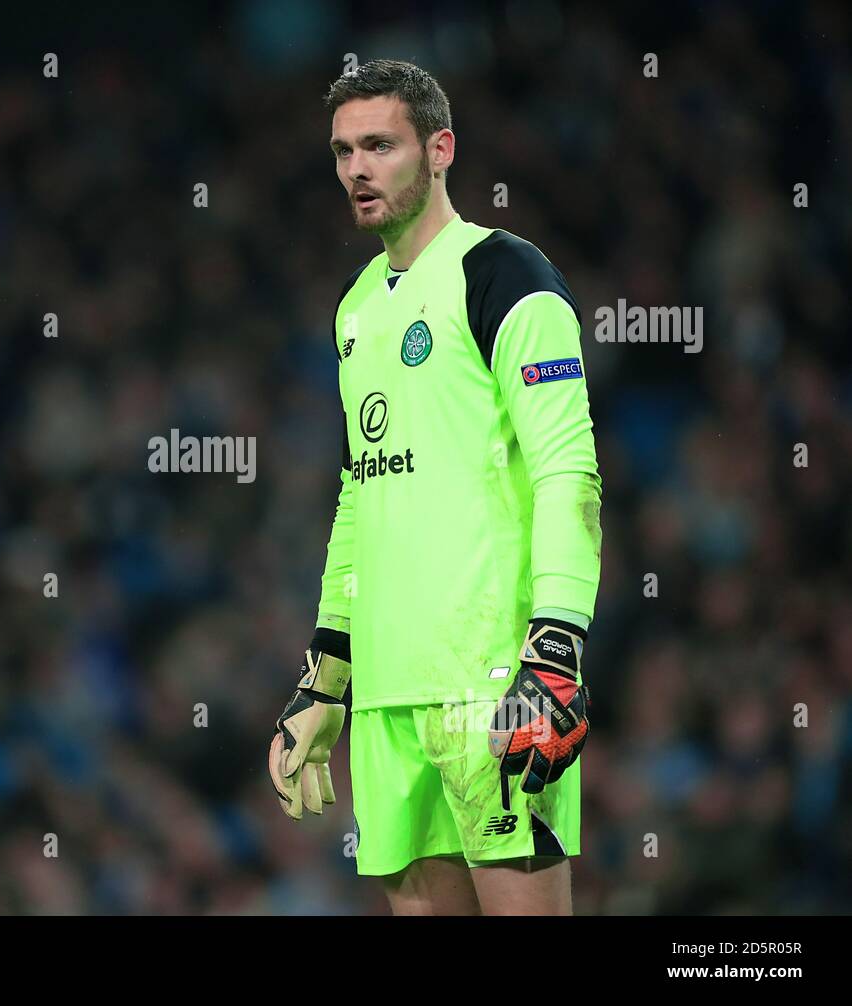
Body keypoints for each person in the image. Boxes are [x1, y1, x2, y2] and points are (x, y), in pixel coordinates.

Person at [268, 59, 601, 916]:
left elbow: (570, 471)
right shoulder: (355, 311)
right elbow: (358, 495)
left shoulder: (505, 275)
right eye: (343, 151)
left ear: (440, 149)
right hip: (387, 700)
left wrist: (555, 648)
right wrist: (327, 680)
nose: (357, 169)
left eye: (380, 145)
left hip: (491, 685)